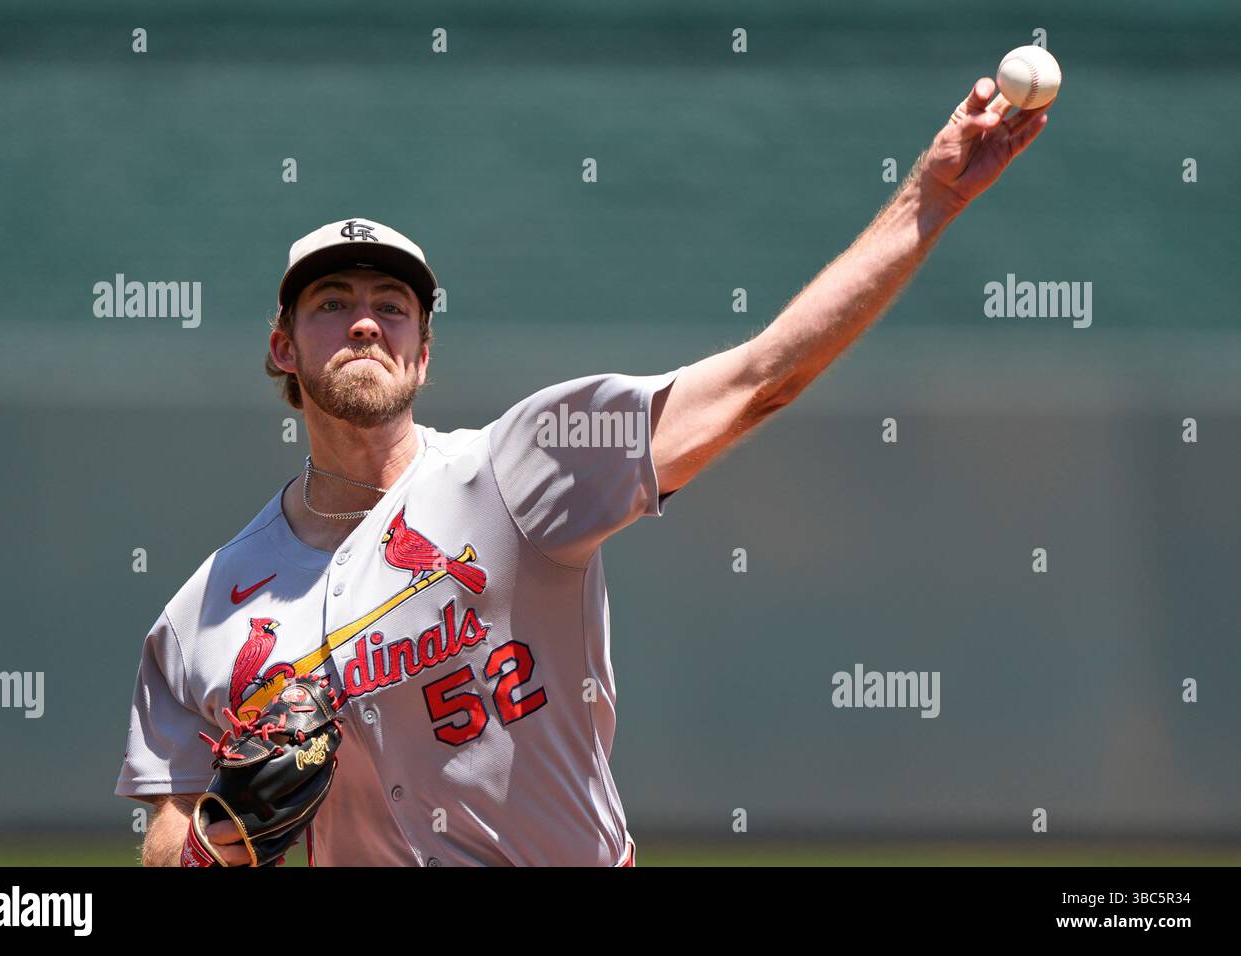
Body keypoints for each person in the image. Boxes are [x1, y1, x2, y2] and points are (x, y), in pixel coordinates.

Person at [115, 78, 1049, 866]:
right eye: (331, 302)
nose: (366, 321)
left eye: (392, 305)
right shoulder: (204, 610)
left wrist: (930, 197)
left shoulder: (518, 469)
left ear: (423, 355)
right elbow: (165, 832)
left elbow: (762, 377)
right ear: (283, 347)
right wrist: (213, 841)